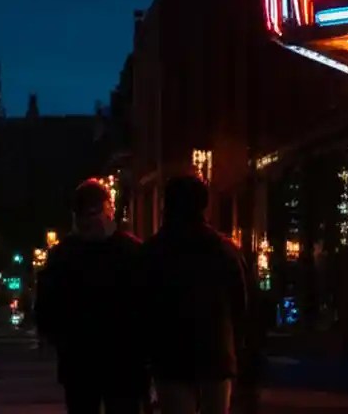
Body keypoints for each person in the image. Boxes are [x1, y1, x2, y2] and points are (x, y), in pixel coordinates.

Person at [35, 179, 146, 414]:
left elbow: (45, 308)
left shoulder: (63, 255)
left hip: (79, 359)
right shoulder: (132, 251)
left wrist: (58, 338)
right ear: (109, 209)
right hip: (124, 358)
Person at [142, 175, 249, 414]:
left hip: (170, 356)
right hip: (215, 354)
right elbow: (240, 305)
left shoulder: (152, 252)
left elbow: (141, 307)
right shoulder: (224, 250)